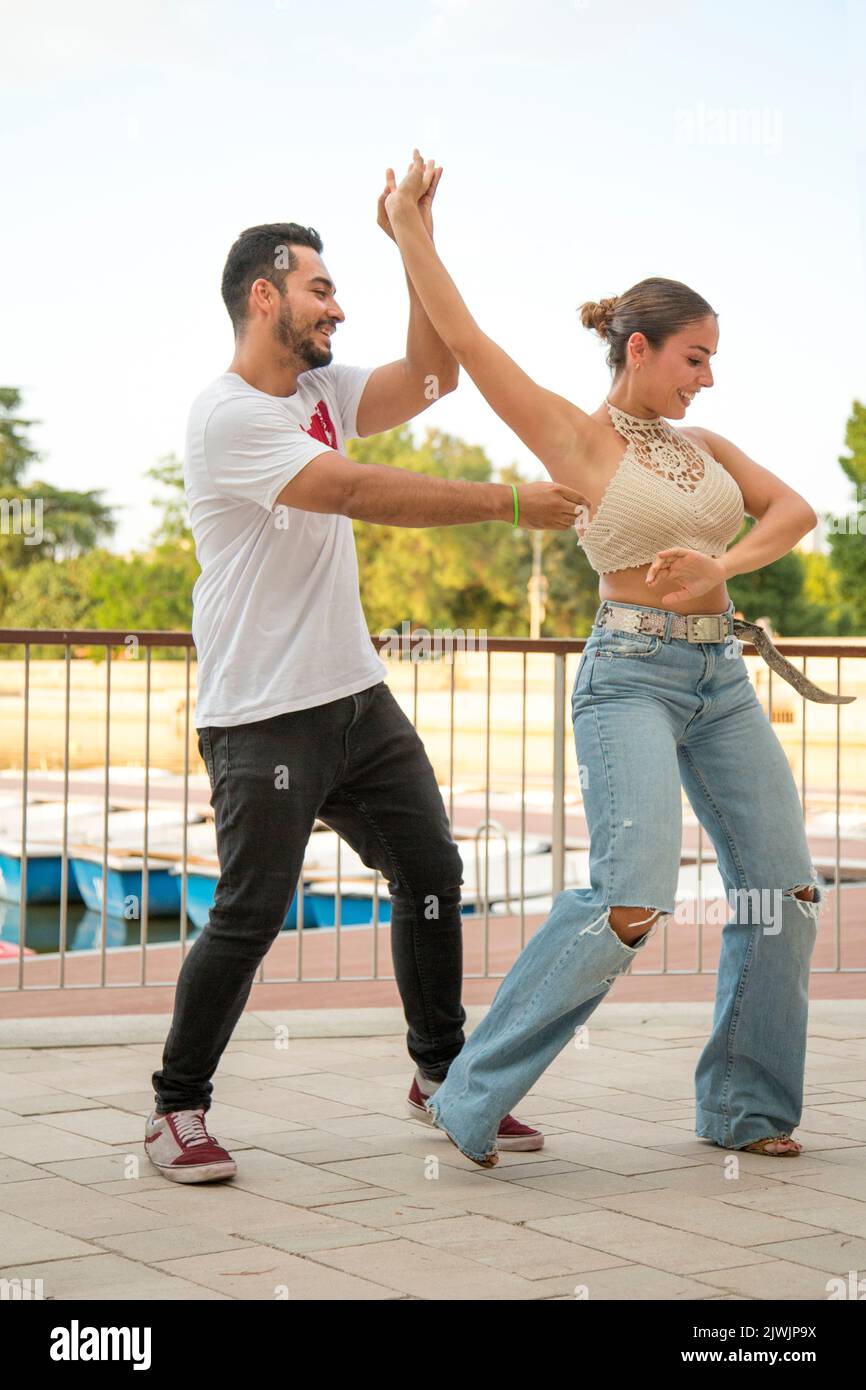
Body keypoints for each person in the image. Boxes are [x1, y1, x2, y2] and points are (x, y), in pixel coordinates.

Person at [383, 150, 824, 1168]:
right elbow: (464, 338)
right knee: (629, 895)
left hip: (719, 677)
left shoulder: (706, 444)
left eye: (711, 358)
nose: (708, 375)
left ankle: (746, 1106)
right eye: (693, 355)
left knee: (784, 891)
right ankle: (468, 1096)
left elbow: (793, 509)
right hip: (627, 672)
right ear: (638, 347)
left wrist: (722, 561)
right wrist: (410, 230)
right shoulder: (574, 443)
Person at [144, 170, 585, 1183]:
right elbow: (352, 491)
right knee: (251, 913)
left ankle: (441, 1073)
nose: (337, 307)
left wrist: (408, 243)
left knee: (429, 872)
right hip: (262, 715)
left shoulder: (322, 391)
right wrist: (506, 501)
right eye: (321, 289)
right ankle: (175, 1107)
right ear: (266, 295)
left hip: (353, 697)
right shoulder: (224, 418)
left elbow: (435, 378)